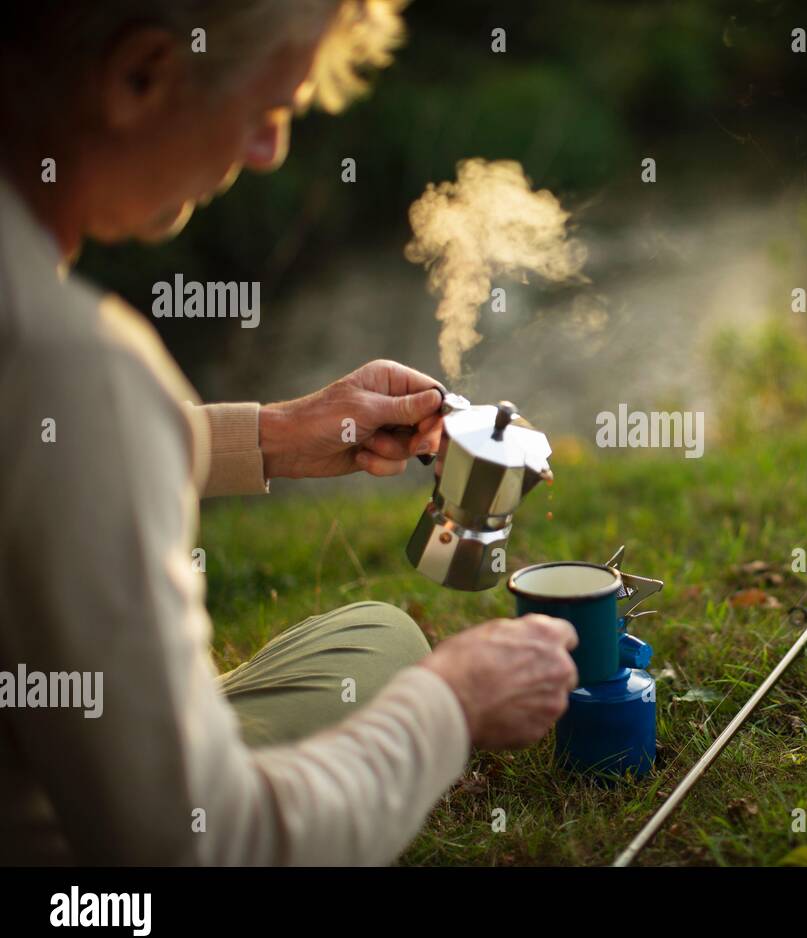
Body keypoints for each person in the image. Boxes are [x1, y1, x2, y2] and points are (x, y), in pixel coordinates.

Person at [0, 1, 578, 865]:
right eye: (270, 107)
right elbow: (207, 847)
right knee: (396, 657)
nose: (269, 151)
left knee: (379, 638)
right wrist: (452, 708)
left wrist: (274, 435)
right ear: (139, 78)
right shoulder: (75, 367)